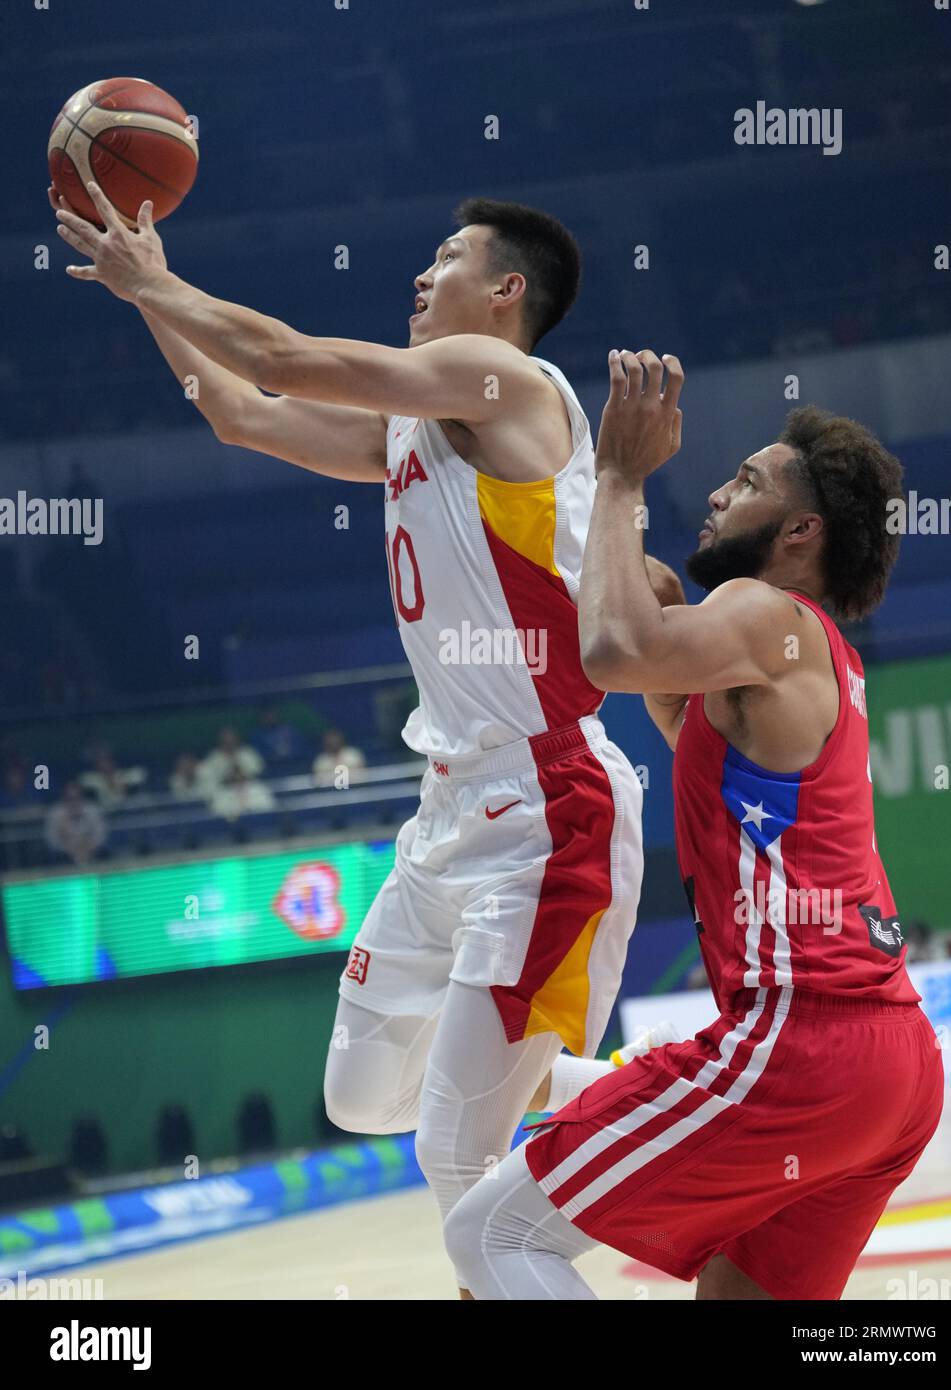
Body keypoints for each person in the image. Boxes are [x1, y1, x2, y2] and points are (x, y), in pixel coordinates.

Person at [50, 182, 648, 1295]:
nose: (422, 274)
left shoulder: (506, 382)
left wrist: (159, 278)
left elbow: (283, 357)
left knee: (453, 1156)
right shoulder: (416, 429)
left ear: (506, 291)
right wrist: (147, 295)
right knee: (361, 1096)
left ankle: (564, 1126)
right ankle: (607, 1081)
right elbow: (243, 409)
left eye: (448, 256)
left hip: (547, 802)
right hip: (444, 811)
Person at [444, 357, 945, 1301]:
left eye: (746, 481)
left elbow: (614, 649)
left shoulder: (761, 614)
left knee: (492, 1238)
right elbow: (644, 652)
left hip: (801, 1047)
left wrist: (623, 473)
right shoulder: (799, 656)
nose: (716, 491)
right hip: (891, 1069)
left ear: (802, 531)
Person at [45, 782, 107, 865]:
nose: (73, 802)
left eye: (77, 798)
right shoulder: (55, 814)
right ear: (64, 798)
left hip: (91, 850)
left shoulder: (92, 810)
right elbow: (52, 840)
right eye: (69, 799)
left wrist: (88, 847)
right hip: (64, 854)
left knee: (105, 853)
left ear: (82, 797)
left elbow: (100, 834)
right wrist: (69, 848)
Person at [197, 726, 264, 797]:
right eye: (225, 742)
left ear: (237, 740)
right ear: (220, 742)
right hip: (223, 793)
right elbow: (208, 779)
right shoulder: (213, 758)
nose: (229, 744)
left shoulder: (248, 753)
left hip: (250, 790)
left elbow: (258, 772)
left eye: (232, 741)